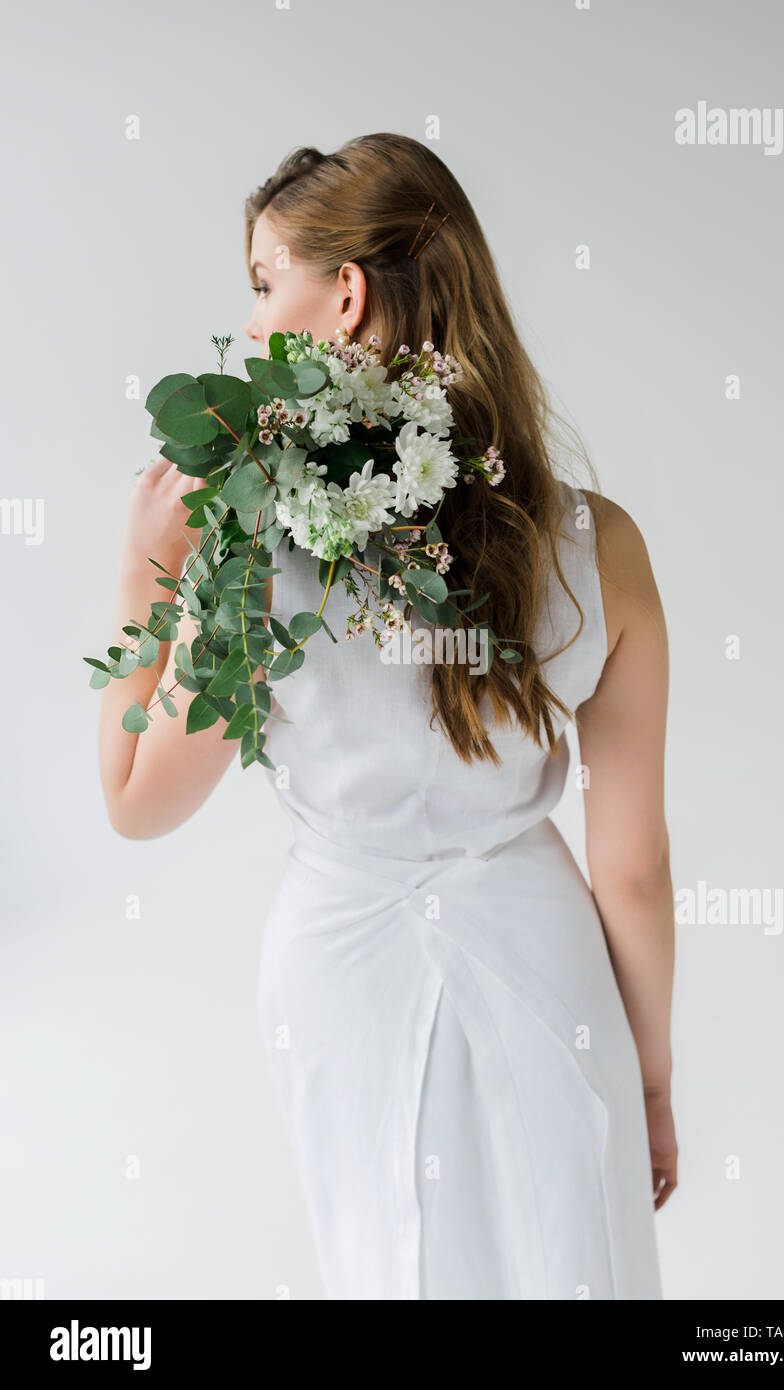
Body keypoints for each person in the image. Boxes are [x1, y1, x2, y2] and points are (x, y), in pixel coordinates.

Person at [99, 133, 677, 1300]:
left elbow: (133, 802)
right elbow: (633, 873)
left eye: (266, 285)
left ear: (345, 293)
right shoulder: (597, 545)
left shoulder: (251, 546)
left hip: (339, 967)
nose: (254, 324)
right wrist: (650, 1075)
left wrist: (143, 582)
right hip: (547, 961)